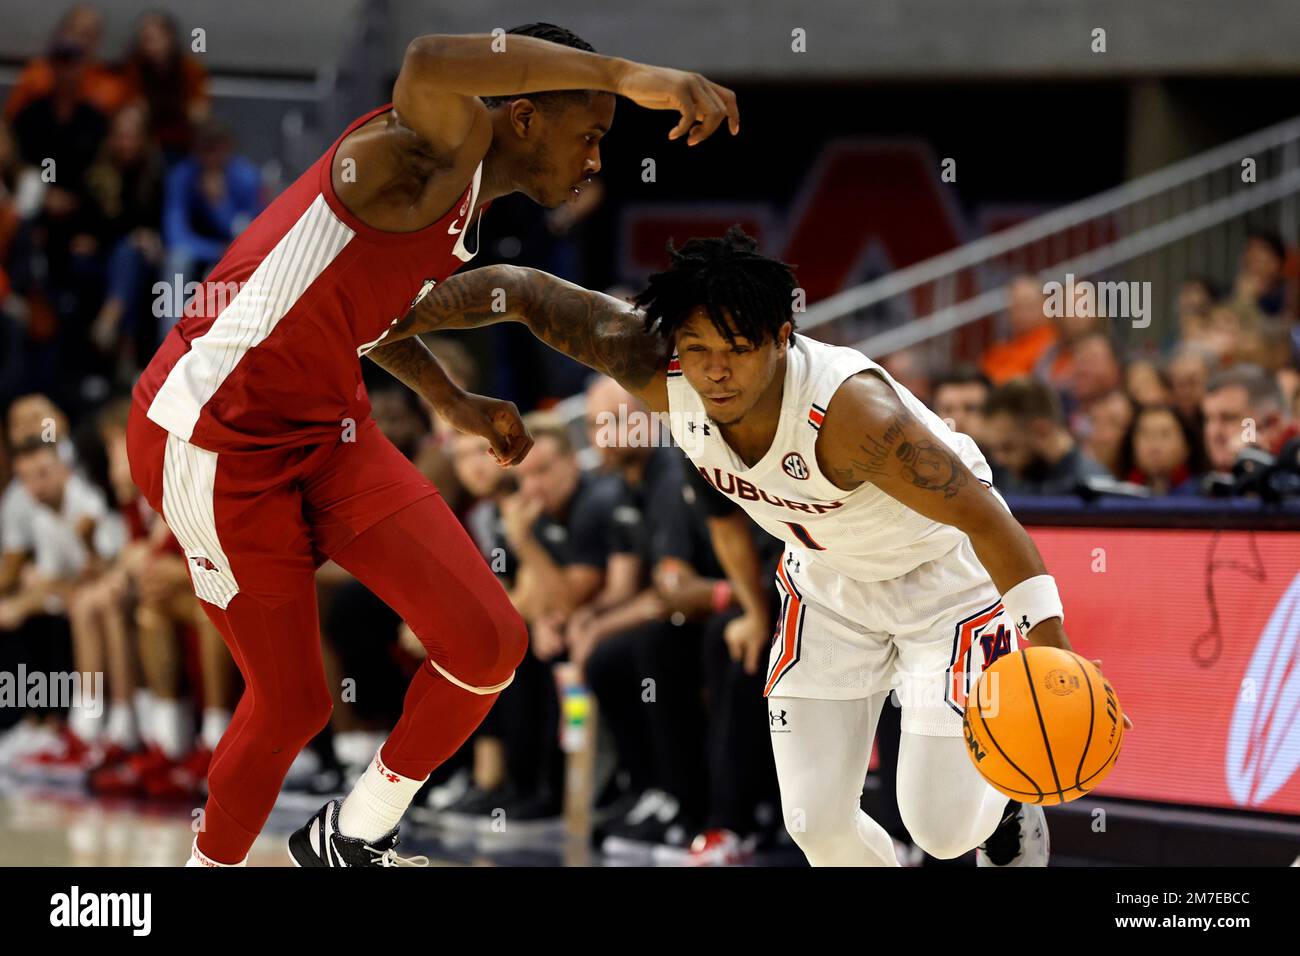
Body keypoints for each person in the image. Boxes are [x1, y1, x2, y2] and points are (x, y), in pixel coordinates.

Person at [128, 21, 739, 867]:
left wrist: (450, 400)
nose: (598, 158)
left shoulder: (460, 215)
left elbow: (356, 314)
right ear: (521, 117)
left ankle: (354, 833)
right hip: (212, 434)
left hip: (327, 428)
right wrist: (635, 73)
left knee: (488, 641)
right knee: (293, 702)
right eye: (592, 132)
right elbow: (427, 58)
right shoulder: (421, 150)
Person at [384, 226, 1132, 867]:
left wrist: (1051, 650)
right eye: (698, 348)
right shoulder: (663, 373)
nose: (714, 369)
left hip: (944, 584)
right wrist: (390, 307)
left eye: (736, 350)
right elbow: (524, 291)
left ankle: (1001, 810)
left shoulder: (853, 414)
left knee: (937, 831)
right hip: (829, 586)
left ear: (782, 339)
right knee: (816, 826)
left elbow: (992, 522)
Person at [982, 378, 1111, 496]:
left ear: (1041, 431)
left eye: (1008, 447)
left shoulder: (1095, 489)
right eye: (995, 449)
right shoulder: (1007, 479)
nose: (999, 460)